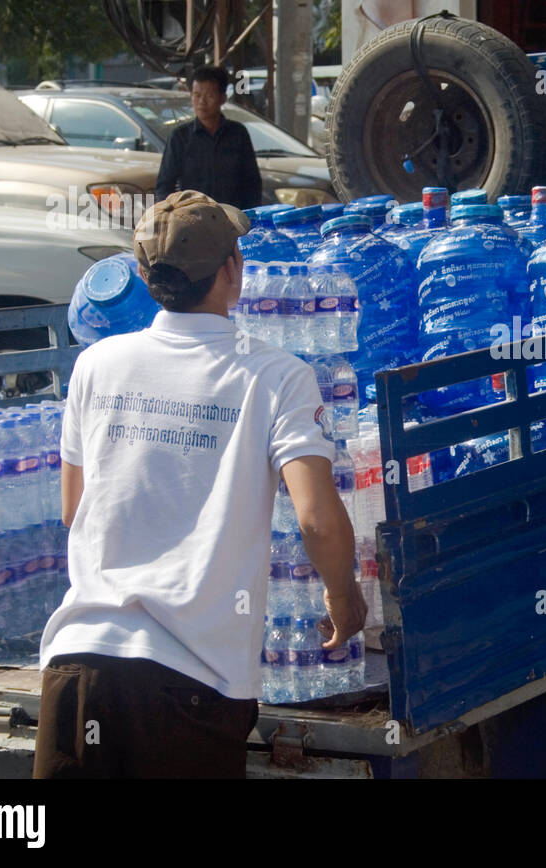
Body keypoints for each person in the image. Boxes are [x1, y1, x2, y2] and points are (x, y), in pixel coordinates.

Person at [34, 190, 365, 779]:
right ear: (233, 272)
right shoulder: (276, 375)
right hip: (190, 687)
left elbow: (74, 509)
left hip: (77, 667)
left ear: (142, 275)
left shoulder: (96, 364)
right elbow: (315, 517)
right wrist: (344, 595)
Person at [155, 66, 263, 210]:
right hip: (193, 220)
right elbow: (164, 186)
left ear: (222, 98)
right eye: (197, 95)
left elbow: (252, 183)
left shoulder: (238, 134)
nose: (201, 102)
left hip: (232, 220)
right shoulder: (179, 137)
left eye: (209, 96)